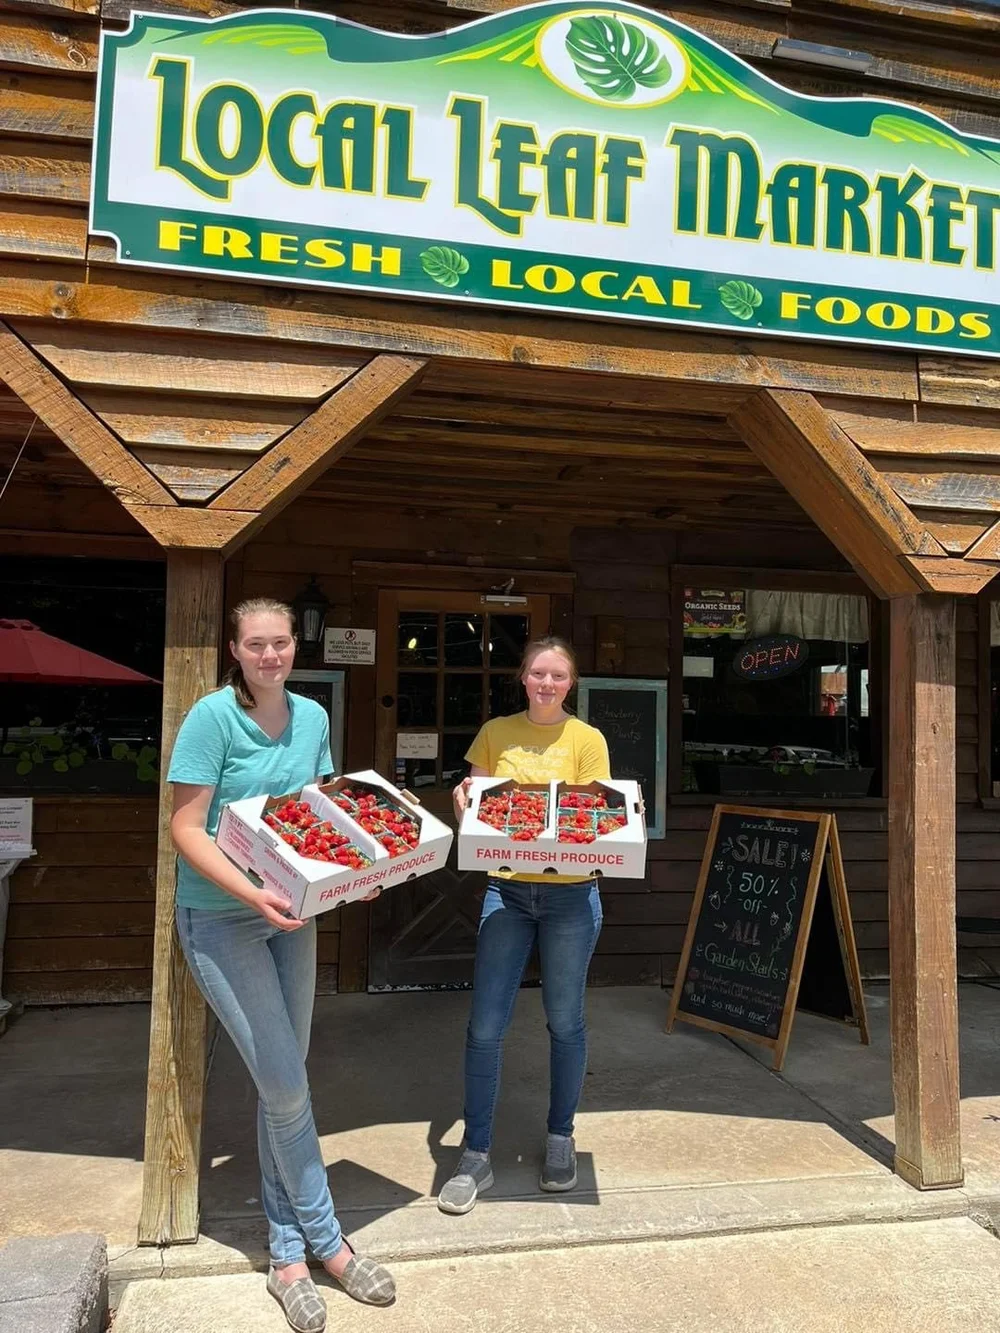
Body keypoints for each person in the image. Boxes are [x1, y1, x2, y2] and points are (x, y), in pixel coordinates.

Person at [168, 597, 394, 1333]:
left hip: (292, 914)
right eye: (256, 644)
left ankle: (286, 1252)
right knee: (287, 1085)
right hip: (224, 917)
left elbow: (317, 811)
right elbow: (185, 828)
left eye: (281, 643)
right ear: (235, 650)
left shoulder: (313, 717)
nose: (270, 655)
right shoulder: (211, 718)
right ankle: (324, 1243)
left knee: (283, 1082)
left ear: (297, 646)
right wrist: (251, 893)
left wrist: (360, 864)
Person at [437, 636, 609, 1215]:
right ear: (523, 677)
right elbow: (478, 809)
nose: (546, 684)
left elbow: (589, 816)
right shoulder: (495, 732)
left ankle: (560, 1138)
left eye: (557, 675)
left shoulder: (588, 740)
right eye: (538, 673)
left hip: (571, 895)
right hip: (506, 891)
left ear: (571, 683)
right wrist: (463, 808)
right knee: (486, 1026)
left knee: (565, 1021)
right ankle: (475, 1154)